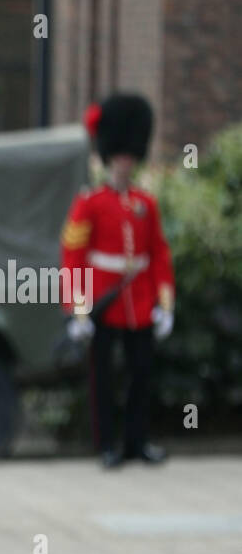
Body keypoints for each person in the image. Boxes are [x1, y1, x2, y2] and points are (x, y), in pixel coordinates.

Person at [62, 93, 174, 469]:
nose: (125, 162)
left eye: (129, 156)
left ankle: (137, 442)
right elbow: (73, 256)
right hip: (103, 302)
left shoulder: (146, 203)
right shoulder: (90, 202)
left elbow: (158, 253)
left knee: (141, 376)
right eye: (119, 155)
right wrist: (77, 311)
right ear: (110, 156)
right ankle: (107, 445)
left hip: (140, 302)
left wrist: (165, 304)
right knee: (103, 381)